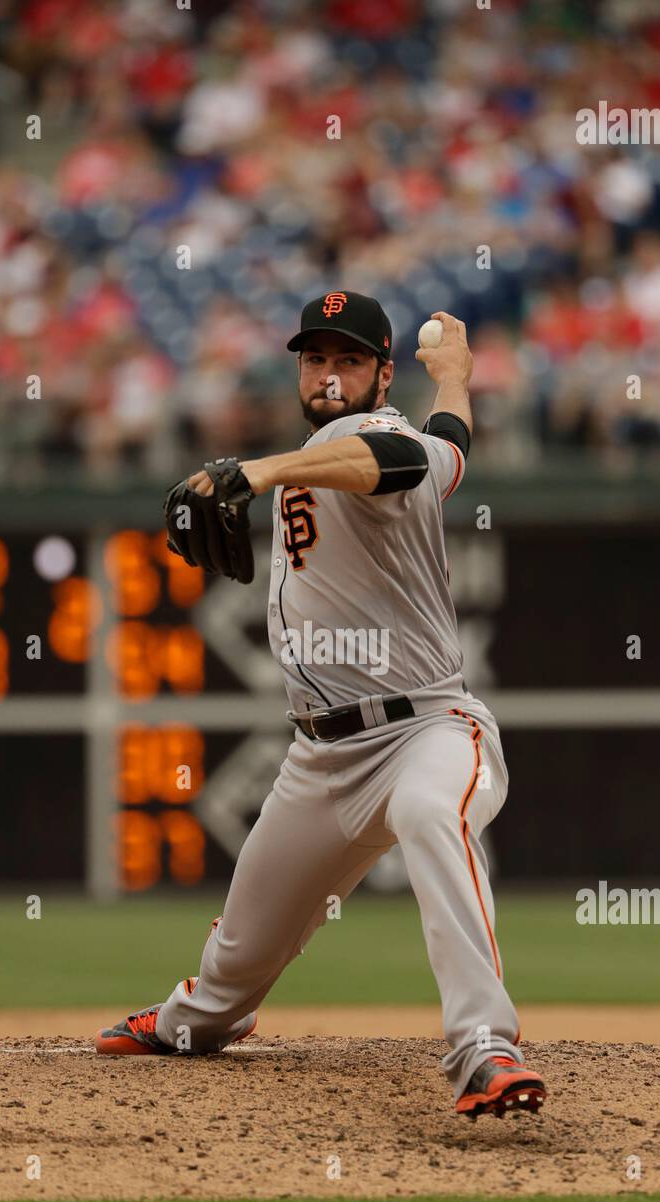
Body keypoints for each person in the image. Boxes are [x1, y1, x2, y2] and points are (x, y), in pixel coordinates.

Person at [96, 291, 546, 1120]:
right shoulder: (398, 440)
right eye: (315, 359)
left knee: (425, 815)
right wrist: (456, 378)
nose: (329, 376)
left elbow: (395, 459)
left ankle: (485, 1045)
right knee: (235, 962)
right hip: (322, 758)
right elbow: (449, 449)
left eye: (348, 361)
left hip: (426, 730)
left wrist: (257, 471)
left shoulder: (364, 440)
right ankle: (196, 1020)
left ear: (380, 375)